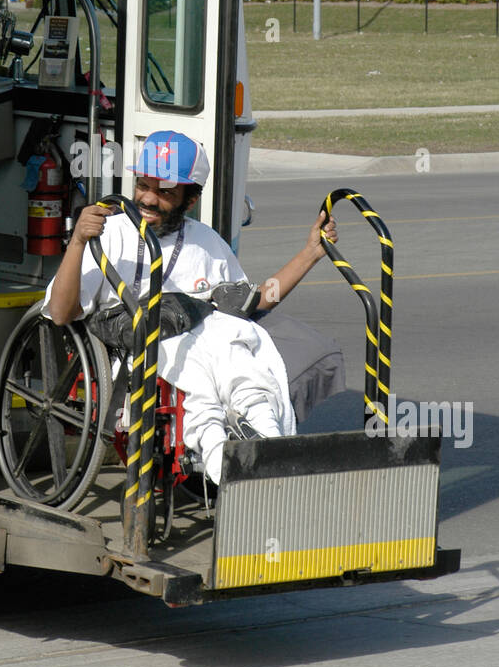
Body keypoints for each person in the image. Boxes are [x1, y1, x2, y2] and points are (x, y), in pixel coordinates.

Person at [44, 129, 339, 484]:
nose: (148, 199)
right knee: (200, 378)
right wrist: (78, 241)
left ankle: (268, 448)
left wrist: (310, 253)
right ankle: (223, 465)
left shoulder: (205, 241)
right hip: (134, 348)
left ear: (190, 199)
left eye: (165, 192)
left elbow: (253, 301)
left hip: (205, 341)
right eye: (143, 185)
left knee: (237, 348)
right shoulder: (109, 232)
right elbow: (60, 314)